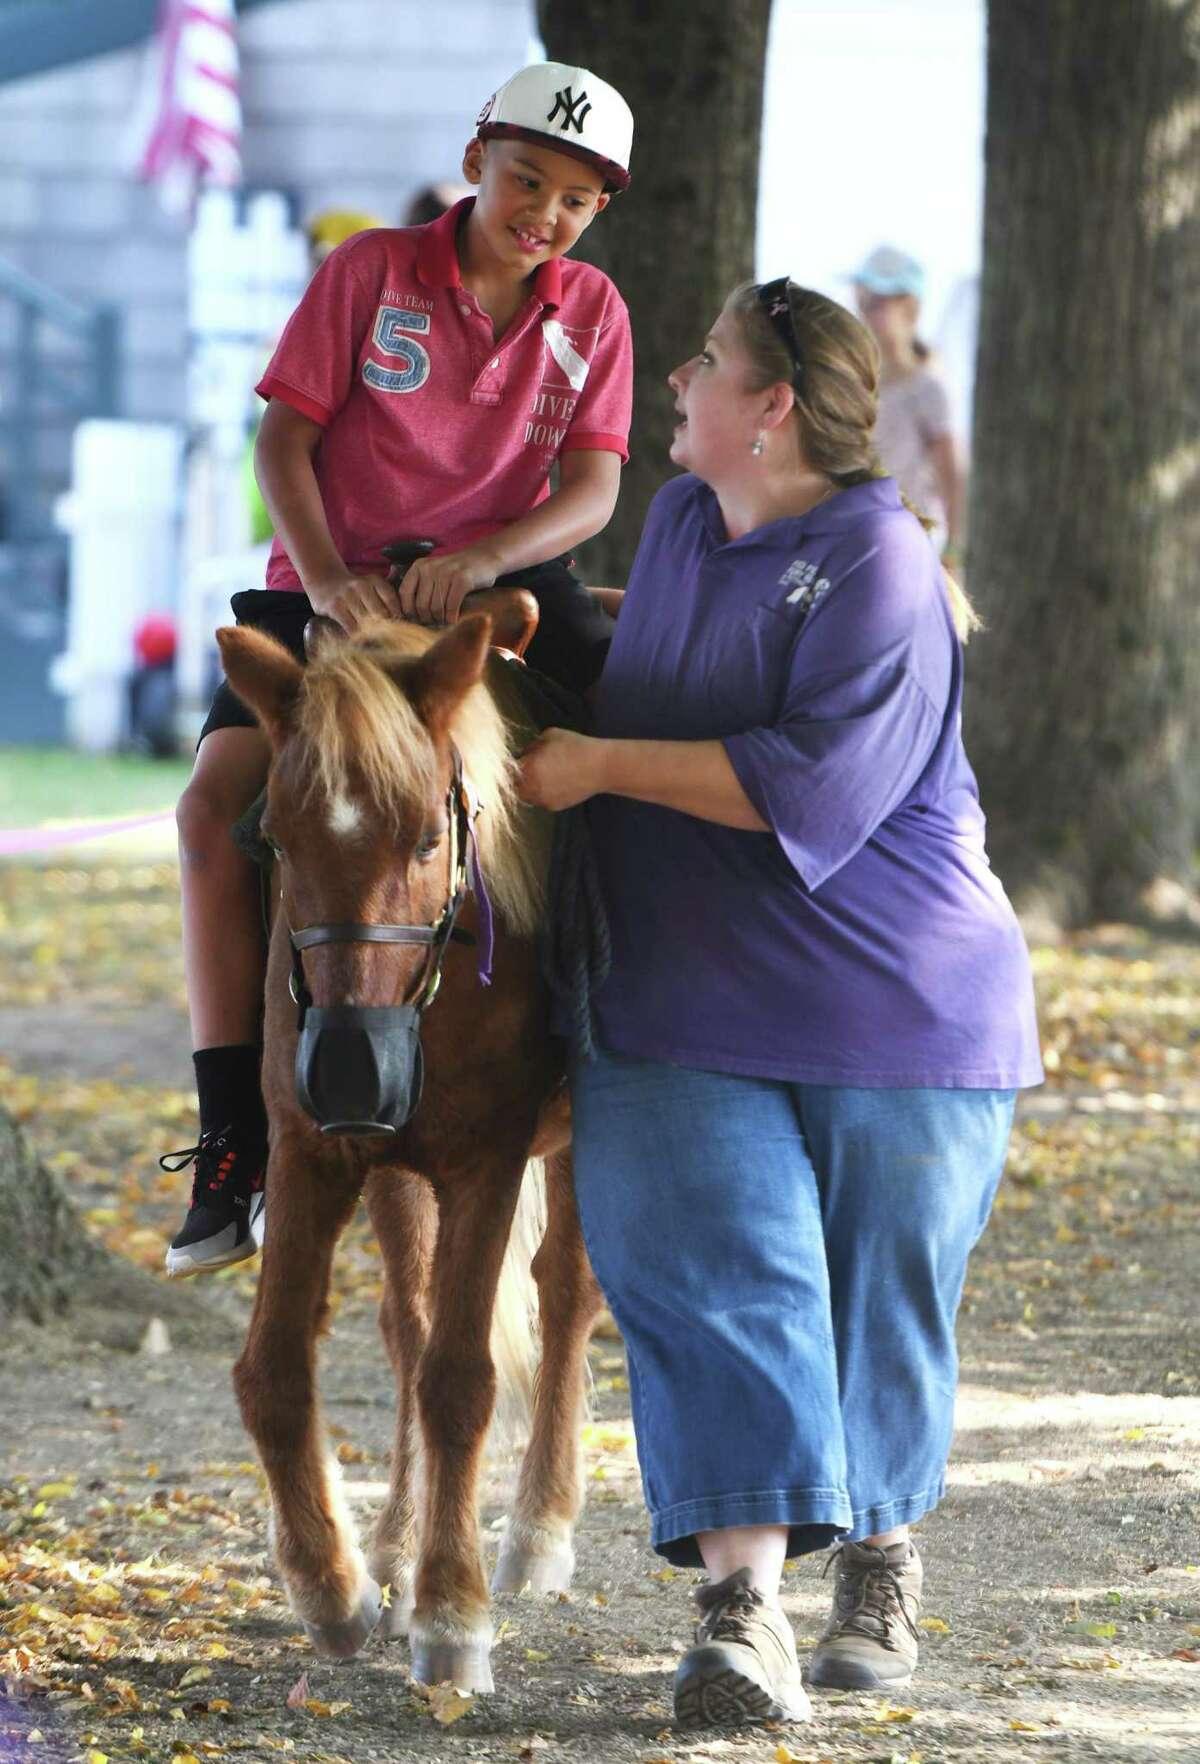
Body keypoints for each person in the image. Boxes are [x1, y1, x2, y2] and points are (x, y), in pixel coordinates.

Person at [518, 279, 1042, 1727]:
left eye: (707, 363)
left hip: (902, 1004)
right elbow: (675, 659)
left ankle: (879, 1556)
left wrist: (597, 766)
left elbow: (802, 781)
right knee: (708, 1274)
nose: (678, 378)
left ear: (773, 409)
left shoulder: (880, 558)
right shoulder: (687, 522)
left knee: (881, 1296)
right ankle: (739, 1613)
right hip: (678, 990)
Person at [163, 60, 635, 1277]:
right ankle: (231, 1142)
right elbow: (286, 439)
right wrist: (326, 581)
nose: (544, 211)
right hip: (337, 586)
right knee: (213, 809)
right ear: (478, 157)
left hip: (496, 580)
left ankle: (630, 1058)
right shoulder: (369, 271)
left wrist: (484, 559)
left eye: (576, 198)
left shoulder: (592, 311)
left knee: (633, 756)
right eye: (527, 177)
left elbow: (590, 487)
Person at [852, 244, 967, 572]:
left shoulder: (928, 388)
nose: (866, 315)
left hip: (906, 546)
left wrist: (954, 550)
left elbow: (952, 475)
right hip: (852, 540)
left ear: (910, 308)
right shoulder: (849, 384)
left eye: (876, 304)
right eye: (862, 303)